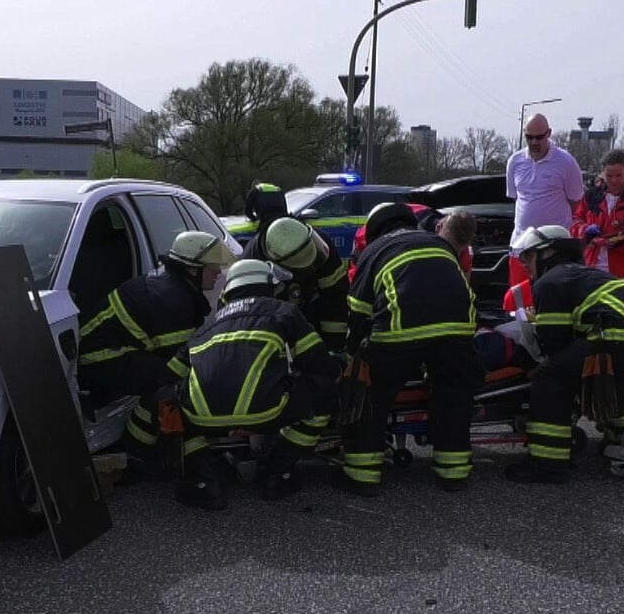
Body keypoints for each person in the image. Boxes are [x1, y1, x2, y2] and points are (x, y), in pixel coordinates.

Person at [166, 259, 346, 509]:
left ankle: (205, 481)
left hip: (202, 417)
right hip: (267, 412)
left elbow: (171, 374)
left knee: (174, 409)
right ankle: (279, 473)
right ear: (268, 286)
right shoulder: (283, 311)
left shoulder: (207, 326)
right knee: (325, 391)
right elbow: (321, 365)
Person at [504, 226, 624, 484]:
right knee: (614, 370)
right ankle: (622, 437)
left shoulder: (550, 282)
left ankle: (547, 463)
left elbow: (555, 344)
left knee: (550, 377)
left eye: (528, 255)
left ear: (548, 252)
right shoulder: (584, 274)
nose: (524, 263)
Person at [339, 202, 484, 496]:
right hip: (457, 330)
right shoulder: (440, 244)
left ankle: (362, 477)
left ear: (375, 230)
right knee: (454, 397)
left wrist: (354, 358)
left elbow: (358, 310)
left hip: (398, 333)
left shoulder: (374, 250)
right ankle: (453, 473)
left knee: (370, 397)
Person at [77, 230, 236, 458]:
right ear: (193, 269)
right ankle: (139, 448)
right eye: (213, 267)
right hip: (101, 360)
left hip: (108, 353)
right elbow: (181, 361)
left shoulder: (174, 285)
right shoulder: (173, 299)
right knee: (170, 386)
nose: (218, 272)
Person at [505, 114, 586, 287]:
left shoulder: (566, 162)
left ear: (549, 133)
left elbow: (575, 202)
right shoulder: (515, 162)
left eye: (539, 137)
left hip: (553, 252)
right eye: (529, 137)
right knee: (520, 299)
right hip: (521, 249)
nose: (534, 142)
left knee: (551, 299)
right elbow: (517, 199)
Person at [246, 216, 350, 350]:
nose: (311, 268)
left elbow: (336, 297)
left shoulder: (318, 244)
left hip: (314, 315)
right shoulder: (252, 268)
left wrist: (335, 348)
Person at [570, 149, 624, 278]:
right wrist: (585, 230)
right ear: (602, 174)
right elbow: (575, 221)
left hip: (623, 271)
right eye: (609, 176)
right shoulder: (591, 196)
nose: (614, 181)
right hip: (592, 268)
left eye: (618, 176)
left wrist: (618, 242)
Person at [242, 181, 290, 251]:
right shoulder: (277, 190)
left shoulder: (255, 190)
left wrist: (254, 219)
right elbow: (285, 210)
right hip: (281, 221)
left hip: (266, 220)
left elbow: (247, 210)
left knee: (260, 245)